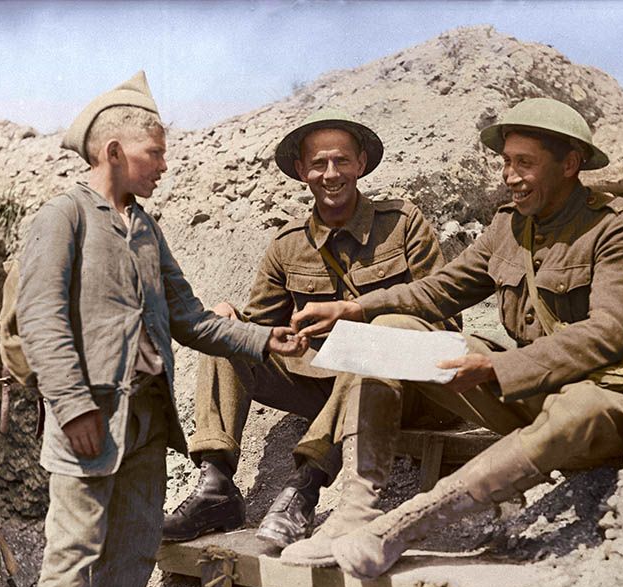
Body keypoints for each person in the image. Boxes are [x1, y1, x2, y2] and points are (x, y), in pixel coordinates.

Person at [17, 71, 305, 587]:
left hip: (144, 412)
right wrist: (71, 405)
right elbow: (40, 320)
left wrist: (264, 338)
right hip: (86, 415)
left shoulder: (143, 227)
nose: (166, 165)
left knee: (138, 530)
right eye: (156, 152)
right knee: (74, 544)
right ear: (114, 151)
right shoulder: (63, 217)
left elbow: (191, 317)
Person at [284, 97, 623, 576]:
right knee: (385, 333)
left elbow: (608, 331)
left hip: (599, 398)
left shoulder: (613, 226)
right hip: (530, 392)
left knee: (579, 412)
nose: (510, 176)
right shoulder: (508, 225)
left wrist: (499, 367)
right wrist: (357, 307)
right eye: (506, 162)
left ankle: (399, 528)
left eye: (525, 163)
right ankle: (356, 510)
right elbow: (442, 290)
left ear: (570, 164)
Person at [162, 110, 456, 551]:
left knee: (367, 347)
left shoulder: (403, 223)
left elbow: (445, 318)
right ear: (302, 171)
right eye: (318, 164)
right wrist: (233, 320)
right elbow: (262, 328)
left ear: (361, 164)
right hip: (321, 385)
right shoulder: (288, 244)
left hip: (403, 386)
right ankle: (216, 485)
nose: (330, 174)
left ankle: (305, 486)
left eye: (341, 162)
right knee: (226, 337)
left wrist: (361, 317)